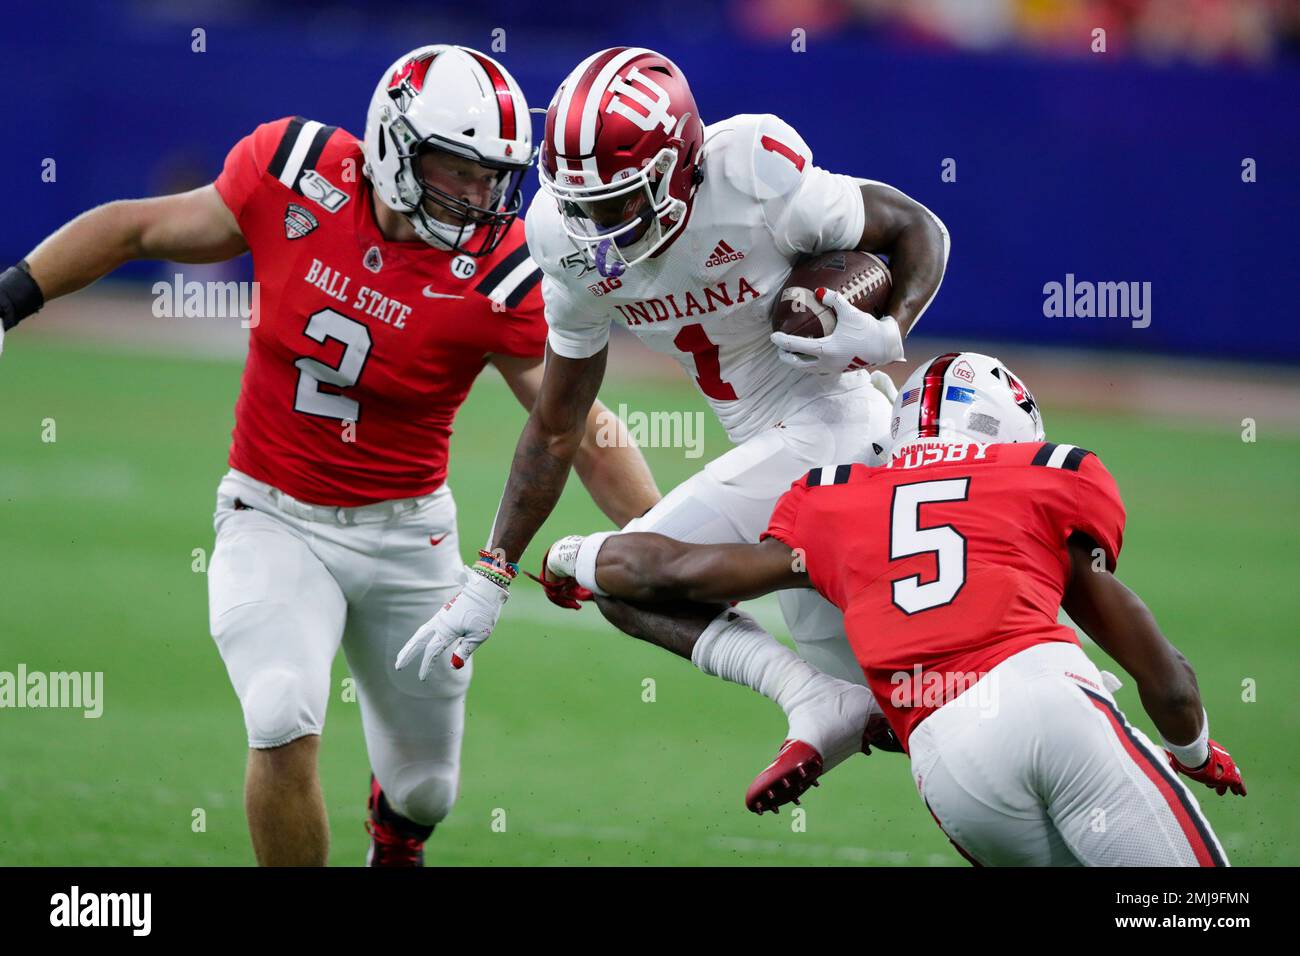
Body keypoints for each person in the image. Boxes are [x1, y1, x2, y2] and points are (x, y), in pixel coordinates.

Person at [0, 44, 658, 866]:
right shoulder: (294, 171)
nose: (482, 196)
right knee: (280, 717)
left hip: (407, 532)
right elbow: (137, 227)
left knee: (427, 789)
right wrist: (12, 296)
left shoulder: (501, 268)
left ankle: (394, 836)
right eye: (458, 171)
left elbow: (578, 426)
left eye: (494, 176)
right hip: (270, 515)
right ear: (394, 146)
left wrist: (661, 535)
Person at [398, 46, 950, 807]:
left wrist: (889, 333)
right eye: (579, 204)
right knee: (916, 709)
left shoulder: (755, 173)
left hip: (836, 419)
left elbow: (918, 228)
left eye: (616, 202)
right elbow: (560, 423)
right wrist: (492, 569)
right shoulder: (566, 239)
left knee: (598, 566)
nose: (595, 226)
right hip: (771, 448)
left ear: (678, 167)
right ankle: (825, 690)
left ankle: (834, 662)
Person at [545, 351, 1245, 865]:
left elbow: (670, 568)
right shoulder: (1046, 479)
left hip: (945, 760)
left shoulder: (837, 501)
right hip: (1043, 701)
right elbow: (1169, 679)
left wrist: (574, 555)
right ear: (1011, 427)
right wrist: (1193, 749)